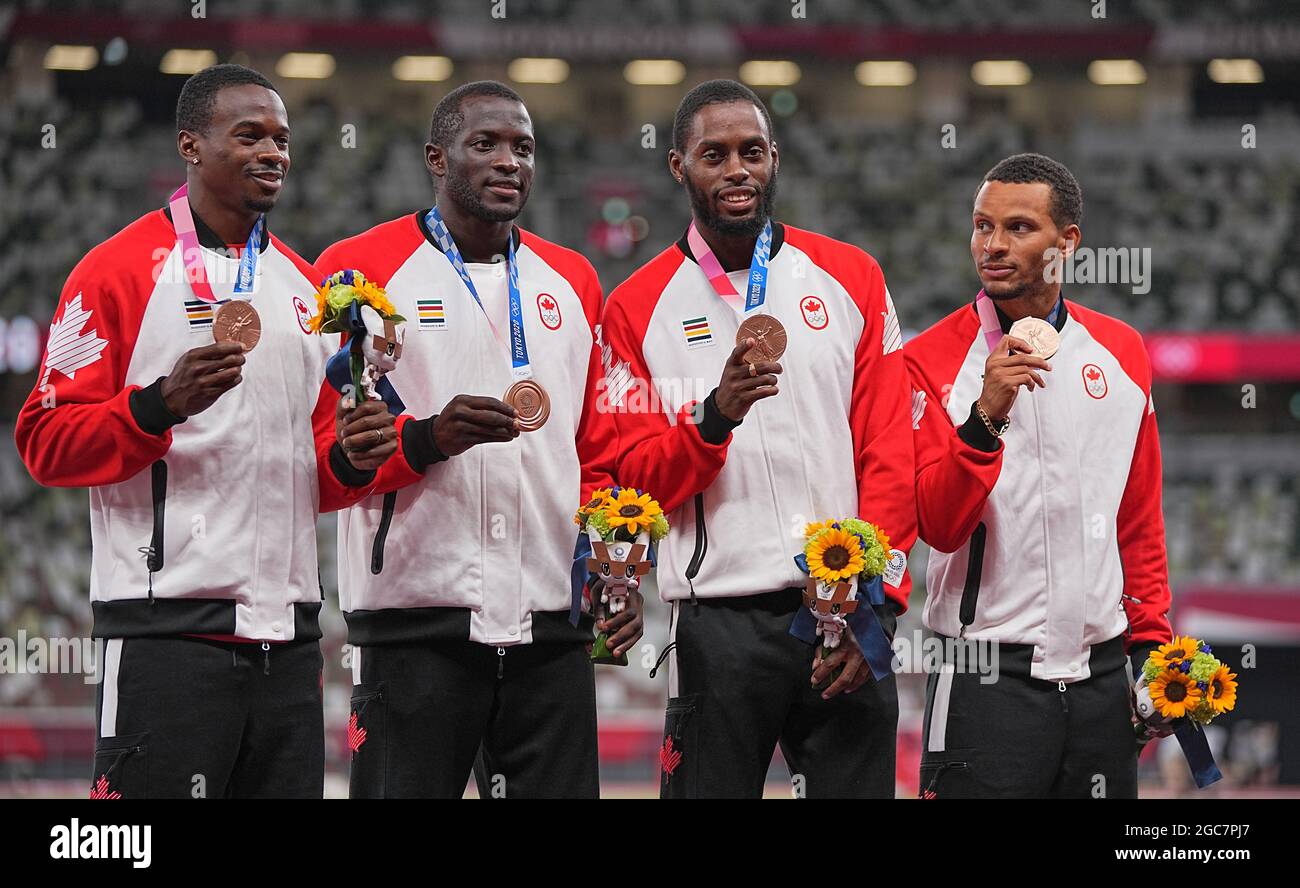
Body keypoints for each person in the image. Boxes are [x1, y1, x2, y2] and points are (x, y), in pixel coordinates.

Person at [13, 64, 395, 798]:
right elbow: (44, 441)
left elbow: (316, 467)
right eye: (248, 134)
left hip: (287, 639)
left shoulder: (307, 290)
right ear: (190, 144)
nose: (273, 152)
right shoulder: (115, 272)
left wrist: (349, 461)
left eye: (282, 139)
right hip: (165, 635)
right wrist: (154, 406)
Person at [601, 80, 916, 798]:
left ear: (775, 159)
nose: (736, 169)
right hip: (718, 624)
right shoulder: (633, 309)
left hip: (845, 606)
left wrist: (883, 600)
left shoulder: (852, 277)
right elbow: (634, 486)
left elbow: (890, 453)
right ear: (679, 167)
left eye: (752, 152)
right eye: (714, 155)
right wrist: (712, 421)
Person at [315, 81, 629, 799]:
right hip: (414, 621)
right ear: (437, 156)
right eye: (484, 144)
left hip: (549, 623)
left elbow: (596, 453)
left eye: (523, 147)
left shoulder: (575, 280)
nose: (508, 161)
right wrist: (425, 439)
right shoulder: (356, 272)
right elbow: (331, 457)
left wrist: (608, 570)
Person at [905, 152, 1173, 799]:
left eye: (1018, 228)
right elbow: (938, 528)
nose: (992, 245)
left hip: (1102, 684)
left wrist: (1151, 648)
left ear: (1067, 242)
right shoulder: (928, 360)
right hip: (982, 678)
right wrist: (984, 416)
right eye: (981, 226)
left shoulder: (1123, 354)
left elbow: (1137, 524)